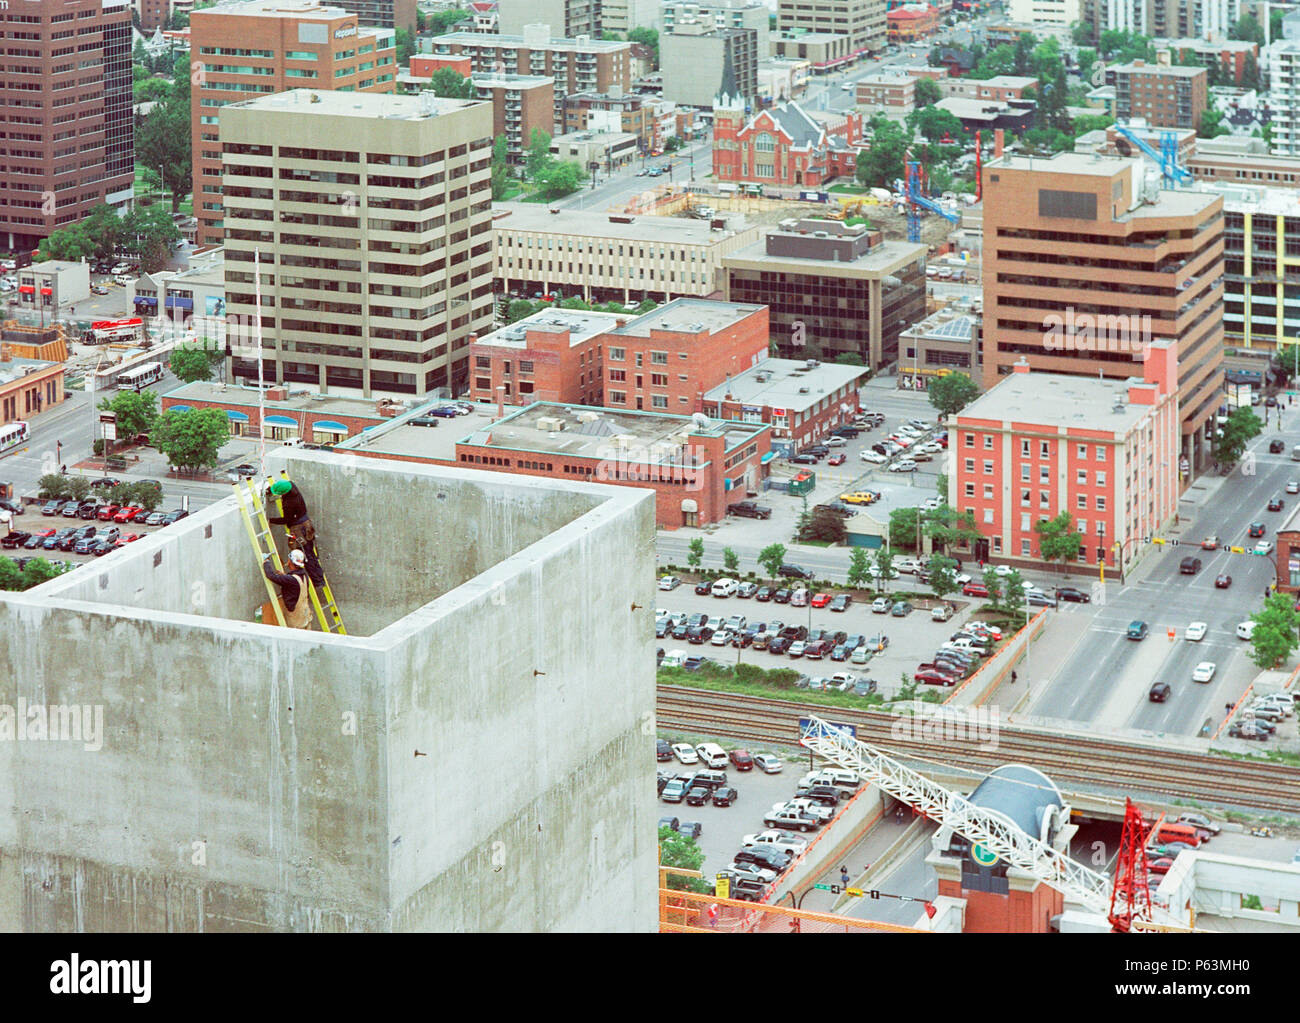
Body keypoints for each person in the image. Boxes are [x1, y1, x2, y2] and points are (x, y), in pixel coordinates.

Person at [266, 477, 324, 587]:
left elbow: (287, 520)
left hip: (300, 530)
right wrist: (270, 489)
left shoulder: (290, 503)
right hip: (306, 525)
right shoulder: (291, 486)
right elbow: (283, 485)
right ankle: (319, 579)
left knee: (307, 556)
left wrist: (271, 520)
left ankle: (318, 581)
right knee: (310, 554)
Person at [262, 550, 313, 630]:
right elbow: (294, 585)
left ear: (290, 562)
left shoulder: (291, 580)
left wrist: (266, 561)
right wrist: (284, 576)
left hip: (295, 623)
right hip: (305, 618)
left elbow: (270, 575)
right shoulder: (304, 575)